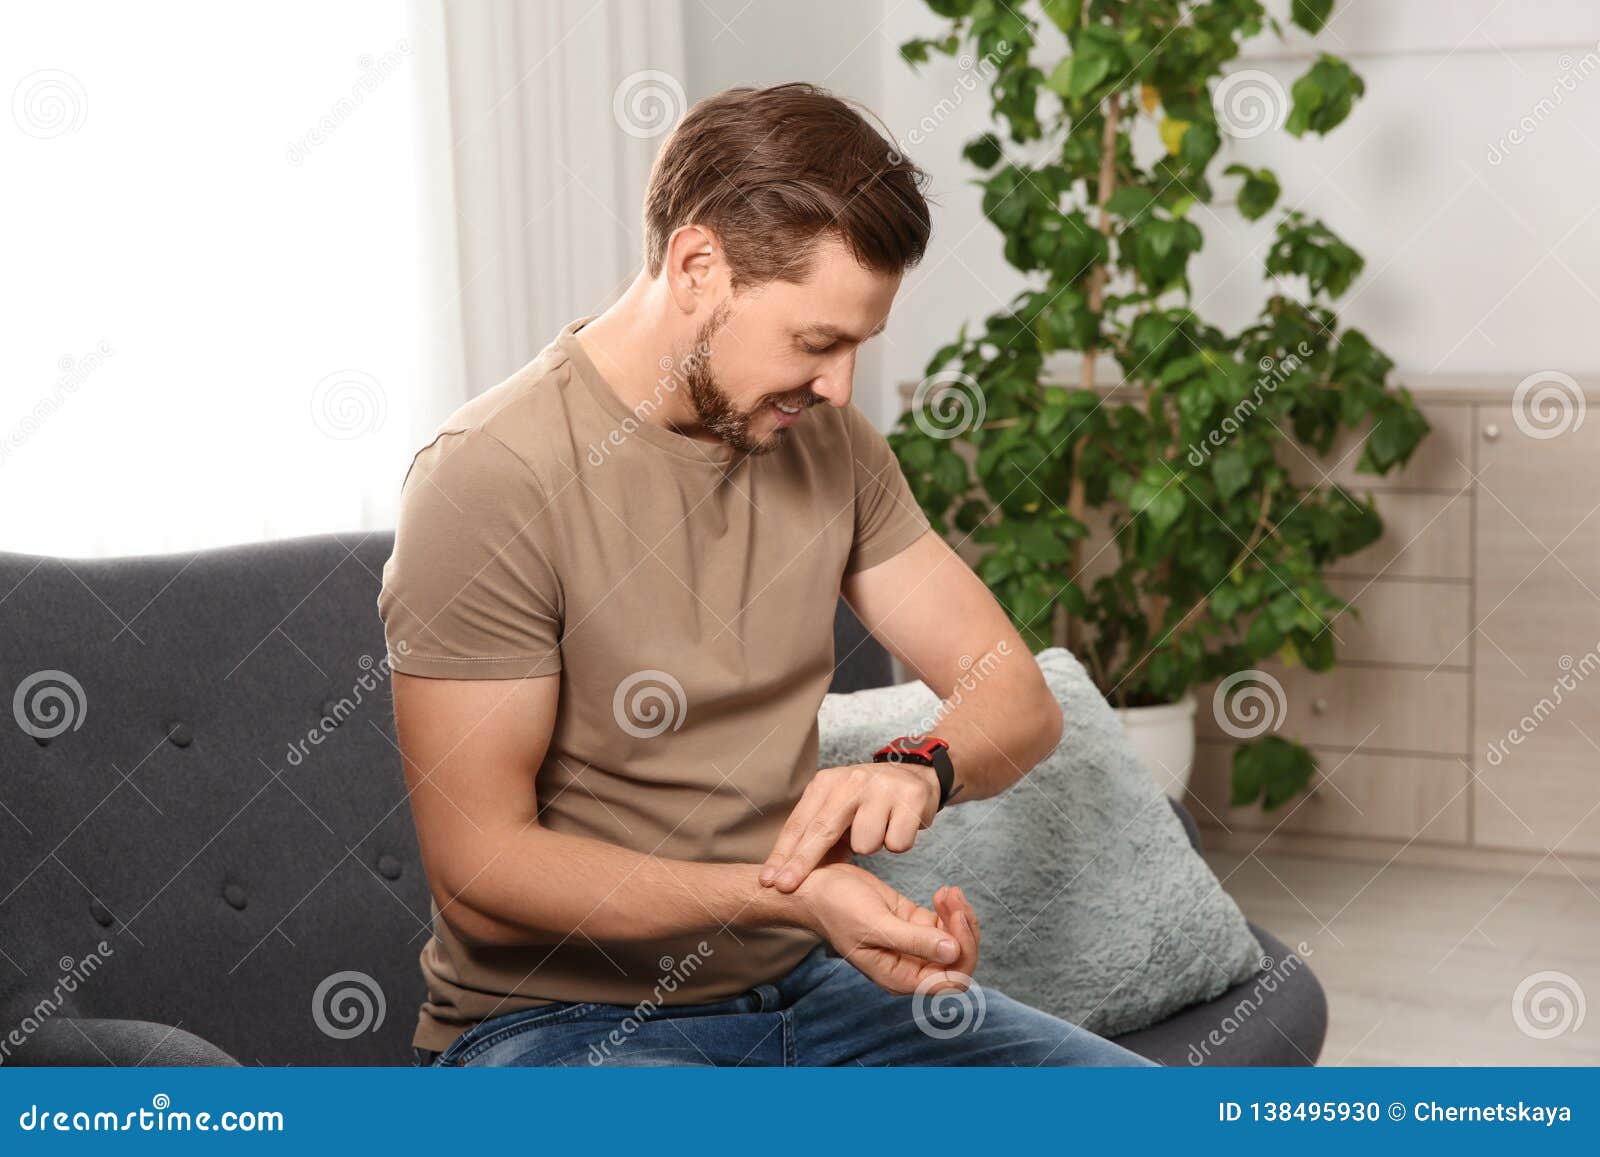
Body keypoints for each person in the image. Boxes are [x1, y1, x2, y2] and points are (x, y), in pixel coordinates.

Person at [378, 82, 1153, 1068]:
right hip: (553, 1025)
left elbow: (1015, 696)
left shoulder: (831, 443)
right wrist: (792, 890)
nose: (837, 386)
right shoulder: (492, 475)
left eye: (856, 346)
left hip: (808, 986)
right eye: (816, 341)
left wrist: (919, 768)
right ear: (698, 265)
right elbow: (480, 865)